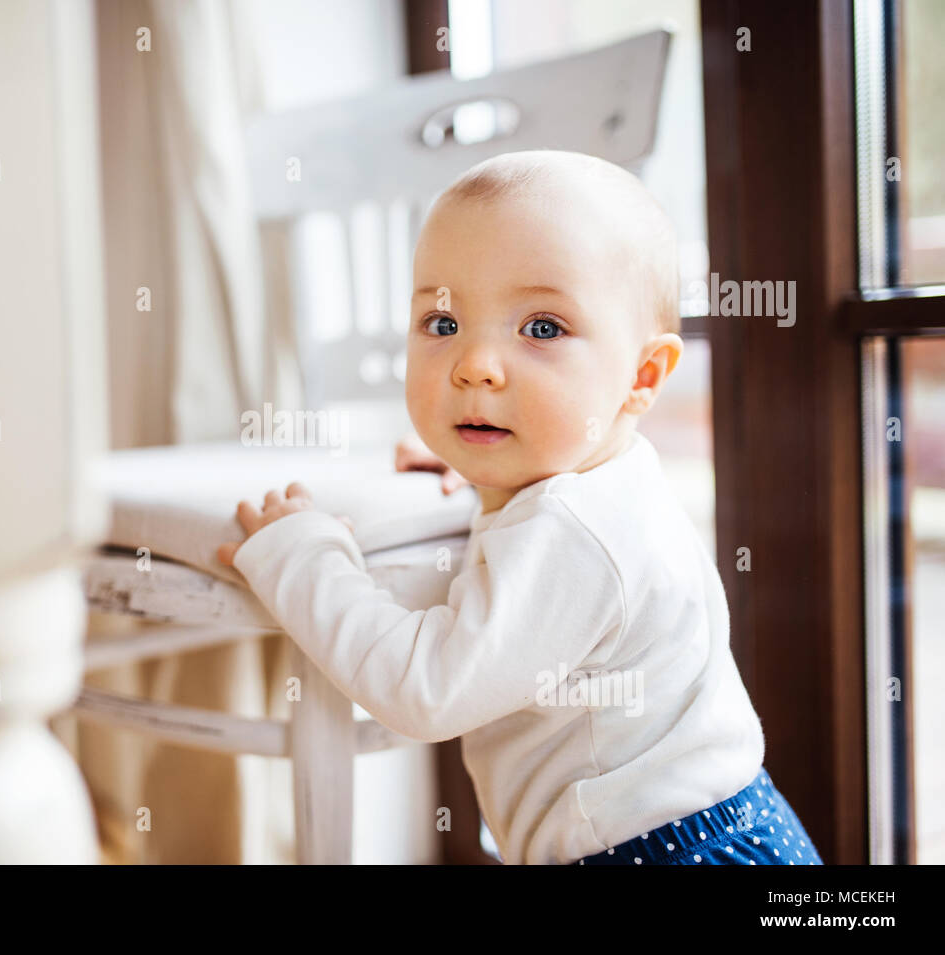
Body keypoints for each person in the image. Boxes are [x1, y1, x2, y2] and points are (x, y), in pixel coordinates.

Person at [217, 150, 821, 865]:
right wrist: (482, 465)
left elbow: (426, 688)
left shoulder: (577, 532)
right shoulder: (598, 474)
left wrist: (304, 556)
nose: (475, 364)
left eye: (540, 328)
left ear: (642, 375)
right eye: (443, 324)